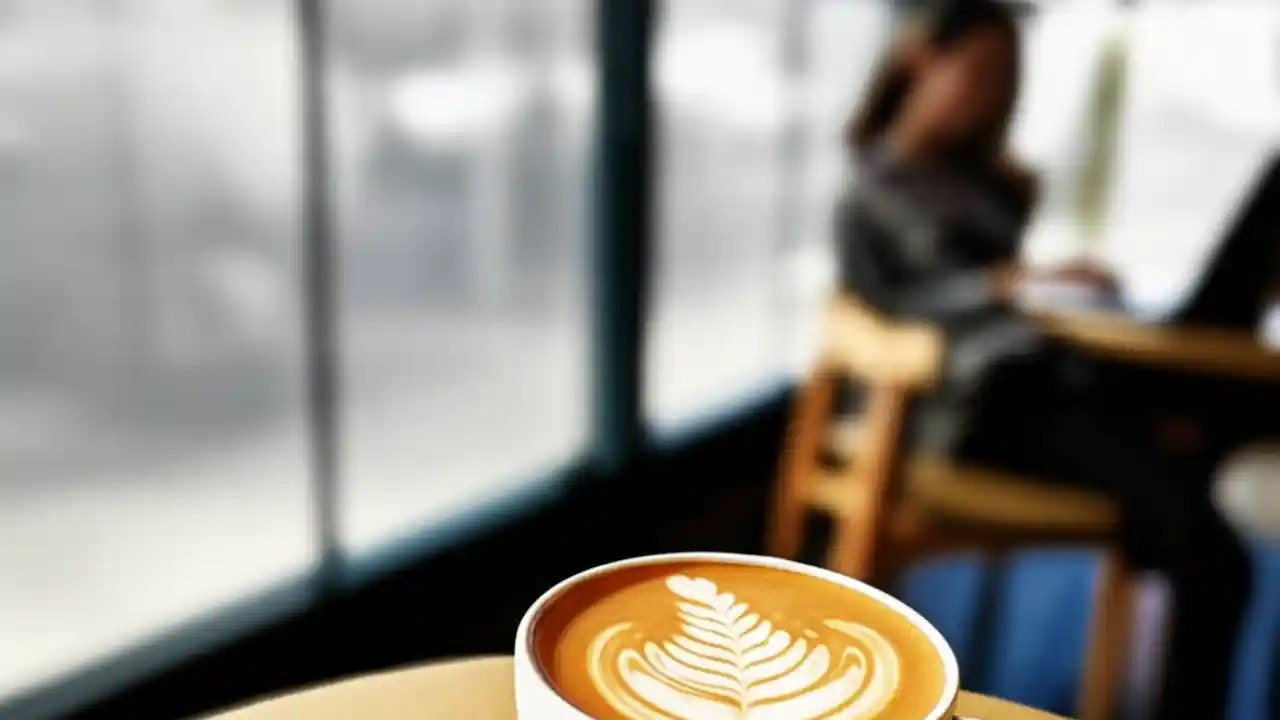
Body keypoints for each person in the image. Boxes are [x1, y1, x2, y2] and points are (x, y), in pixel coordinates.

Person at [836, 1, 1278, 717]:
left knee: (1212, 355)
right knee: (1211, 551)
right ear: (920, 58)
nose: (991, 95)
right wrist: (1008, 284)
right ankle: (1190, 444)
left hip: (1055, 372)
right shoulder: (877, 187)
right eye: (981, 72)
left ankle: (1197, 424)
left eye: (1006, 80)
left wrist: (1046, 286)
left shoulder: (984, 186)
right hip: (986, 406)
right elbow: (899, 312)